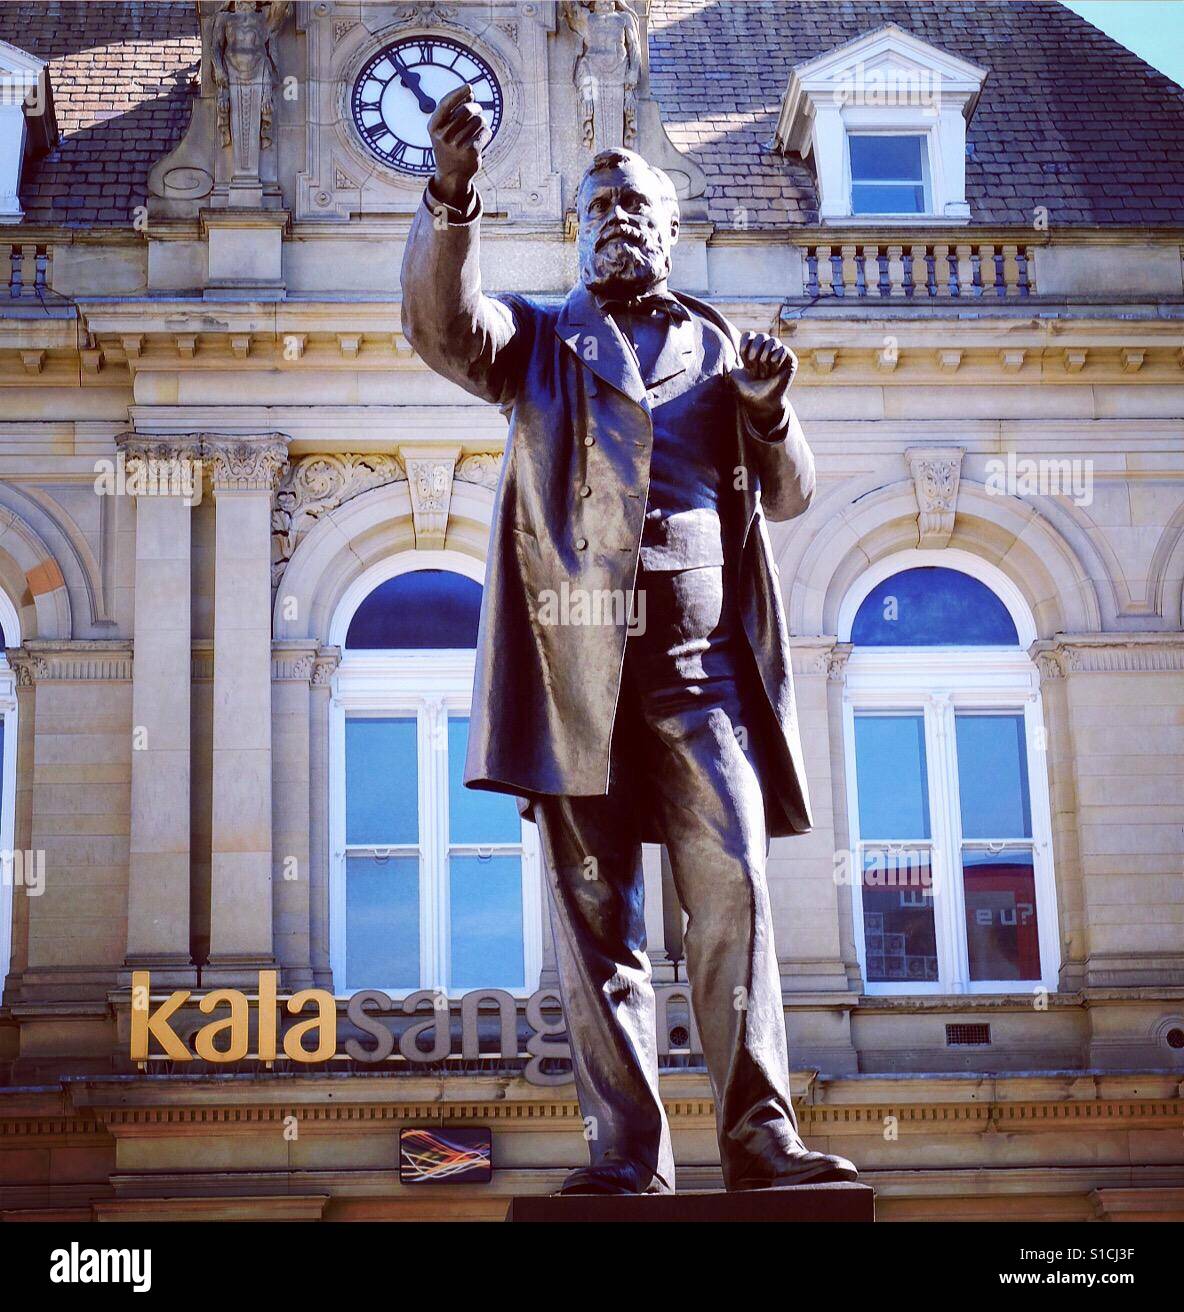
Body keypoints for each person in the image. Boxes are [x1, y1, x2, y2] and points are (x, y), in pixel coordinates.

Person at [400, 84, 857, 1195]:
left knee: (735, 890)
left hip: (703, 677)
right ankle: (626, 1153)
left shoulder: (720, 351)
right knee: (598, 918)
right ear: (578, 230)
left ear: (666, 224)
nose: (614, 217)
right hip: (580, 677)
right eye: (595, 204)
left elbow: (791, 495)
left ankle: (759, 1135)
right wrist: (450, 199)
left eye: (631, 203)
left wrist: (767, 409)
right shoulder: (541, 341)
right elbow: (442, 326)